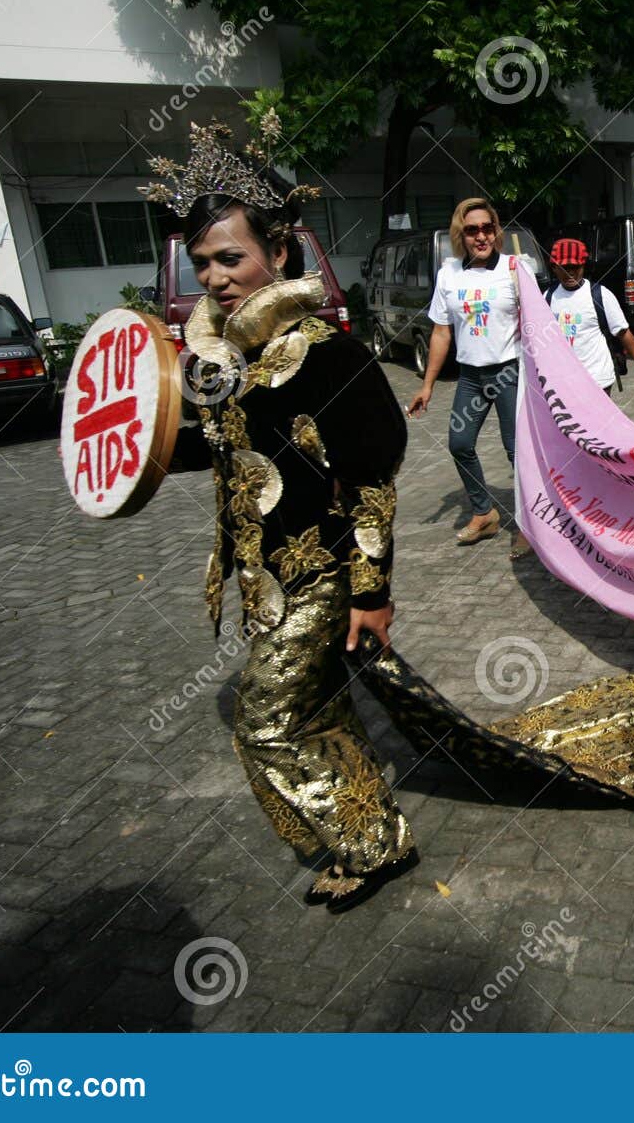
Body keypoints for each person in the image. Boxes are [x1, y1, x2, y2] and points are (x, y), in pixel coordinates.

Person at [144, 120, 418, 914]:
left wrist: (372, 592)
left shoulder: (331, 354)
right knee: (319, 709)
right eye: (202, 262)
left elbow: (372, 483)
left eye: (231, 258)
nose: (216, 277)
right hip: (260, 581)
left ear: (279, 251)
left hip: (322, 574)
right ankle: (377, 837)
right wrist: (144, 446)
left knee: (264, 722)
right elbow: (218, 450)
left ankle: (370, 842)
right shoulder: (219, 362)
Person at [407, 198, 525, 550]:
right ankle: (484, 513)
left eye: (487, 228)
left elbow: (536, 324)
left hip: (508, 372)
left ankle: (531, 523)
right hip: (471, 376)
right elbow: (441, 332)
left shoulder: (514, 268)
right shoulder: (449, 275)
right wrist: (427, 385)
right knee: (459, 443)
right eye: (472, 230)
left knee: (516, 452)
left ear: (496, 231)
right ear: (461, 234)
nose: (481, 236)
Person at [545, 236, 634, 396]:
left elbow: (623, 333)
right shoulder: (547, 298)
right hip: (563, 381)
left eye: (575, 267)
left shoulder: (600, 295)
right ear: (554, 267)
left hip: (597, 378)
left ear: (583, 265)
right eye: (564, 267)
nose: (570, 273)